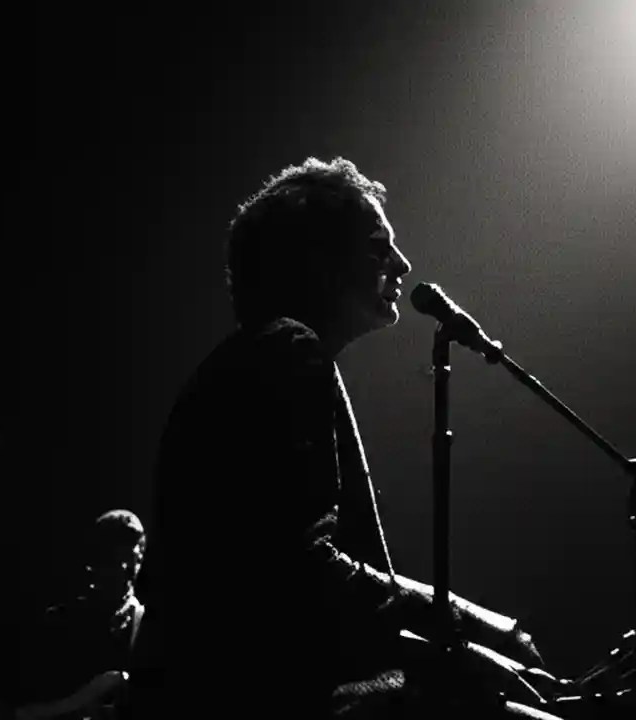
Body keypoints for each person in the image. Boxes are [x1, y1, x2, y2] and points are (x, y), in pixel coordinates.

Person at [136, 157, 563, 718]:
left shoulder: (254, 358)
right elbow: (300, 571)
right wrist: (470, 633)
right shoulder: (288, 352)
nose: (403, 264)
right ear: (319, 259)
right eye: (376, 245)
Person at [0, 509, 147, 720]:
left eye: (130, 562)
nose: (123, 569)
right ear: (93, 562)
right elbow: (2, 709)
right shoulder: (59, 622)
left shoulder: (144, 628)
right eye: (112, 559)